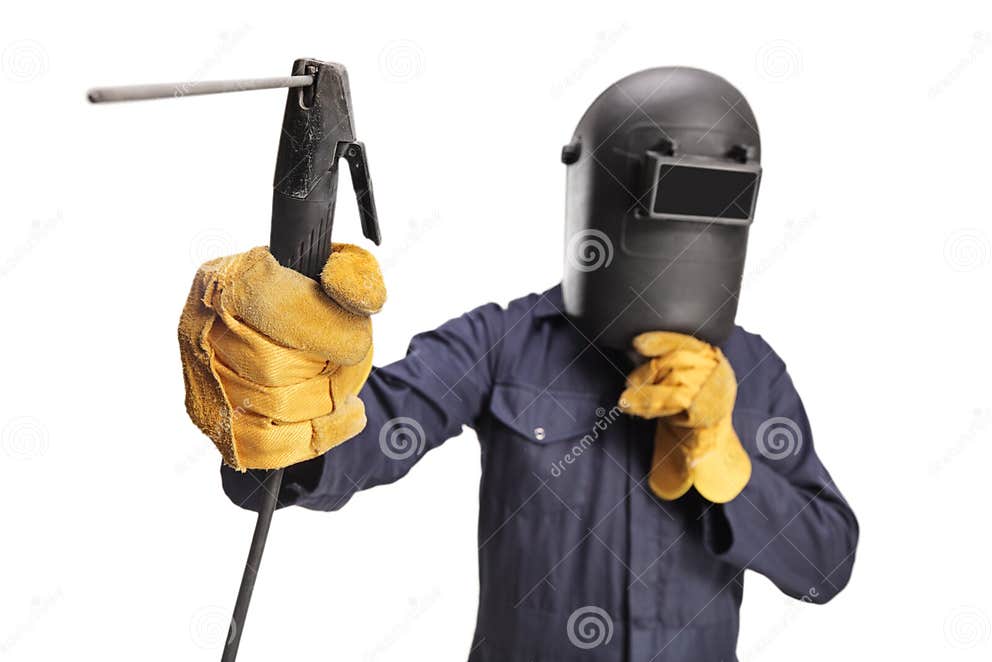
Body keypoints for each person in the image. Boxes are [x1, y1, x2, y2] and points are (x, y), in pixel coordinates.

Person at [179, 67, 858, 661]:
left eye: (714, 196)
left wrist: (729, 466)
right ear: (601, 192)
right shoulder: (501, 343)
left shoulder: (755, 372)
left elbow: (825, 567)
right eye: (675, 190)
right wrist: (281, 405)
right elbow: (373, 427)